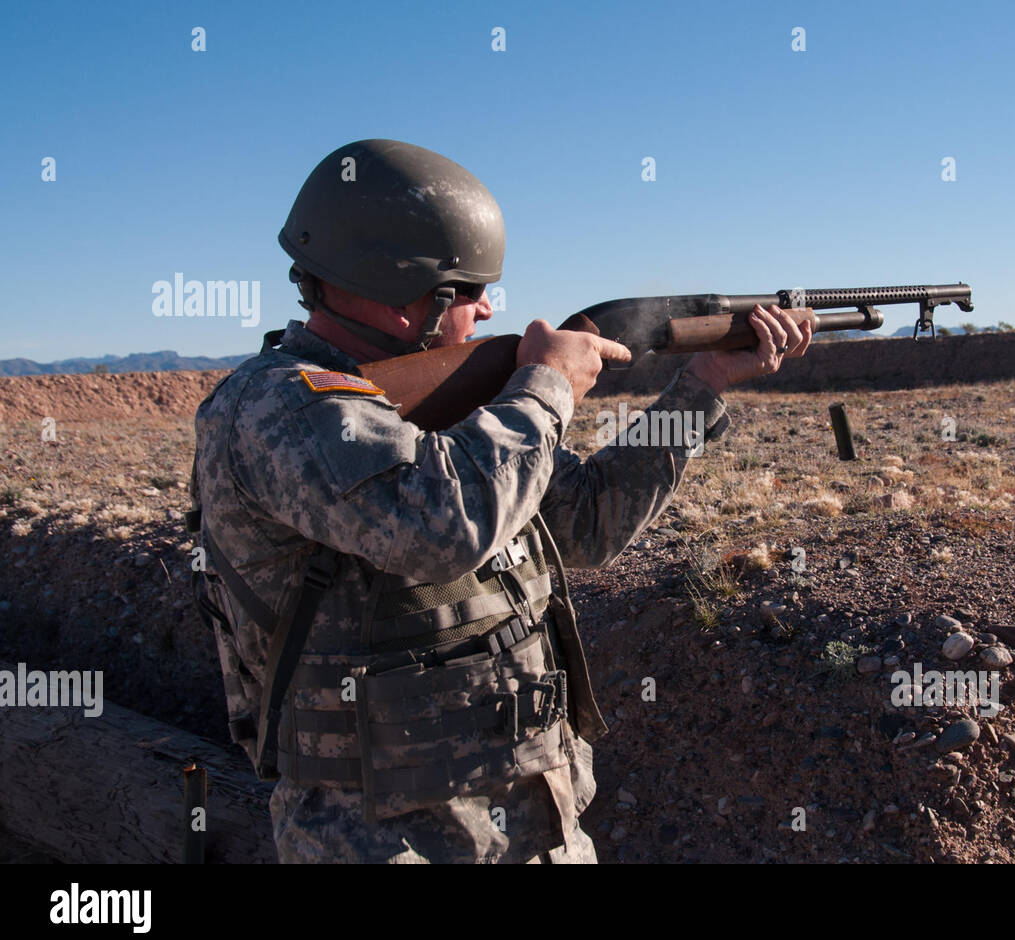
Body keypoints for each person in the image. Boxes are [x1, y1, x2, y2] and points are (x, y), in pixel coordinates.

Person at [188, 138, 811, 863]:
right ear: (400, 291)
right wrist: (544, 389)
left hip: (539, 833)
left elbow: (585, 523)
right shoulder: (275, 408)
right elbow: (442, 525)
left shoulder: (458, 404)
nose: (488, 307)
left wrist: (701, 384)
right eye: (469, 288)